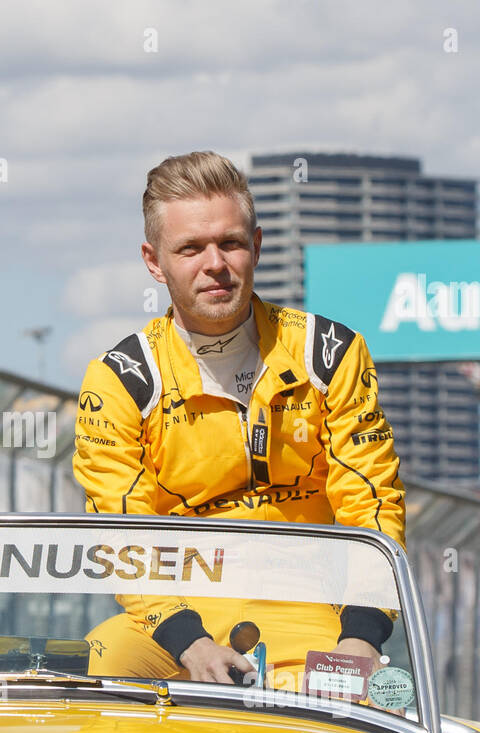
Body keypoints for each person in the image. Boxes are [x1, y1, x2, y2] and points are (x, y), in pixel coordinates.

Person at [73, 150, 404, 684]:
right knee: (94, 668)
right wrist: (190, 641)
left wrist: (362, 636)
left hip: (309, 607)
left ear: (256, 245)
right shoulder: (119, 379)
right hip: (175, 614)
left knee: (343, 704)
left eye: (230, 243)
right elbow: (122, 534)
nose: (215, 264)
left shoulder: (331, 353)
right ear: (154, 261)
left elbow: (372, 504)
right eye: (190, 248)